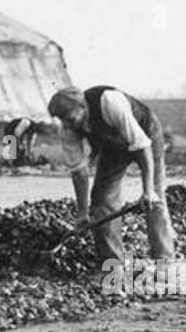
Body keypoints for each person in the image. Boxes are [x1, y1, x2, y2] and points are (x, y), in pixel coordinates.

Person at [47, 85, 175, 294]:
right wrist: (82, 214)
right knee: (101, 199)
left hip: (146, 135)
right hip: (114, 146)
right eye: (62, 120)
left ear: (82, 106)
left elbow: (142, 146)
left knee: (156, 200)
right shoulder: (68, 129)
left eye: (70, 117)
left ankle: (165, 265)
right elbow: (79, 172)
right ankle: (114, 267)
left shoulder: (109, 102)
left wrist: (147, 190)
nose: (67, 123)